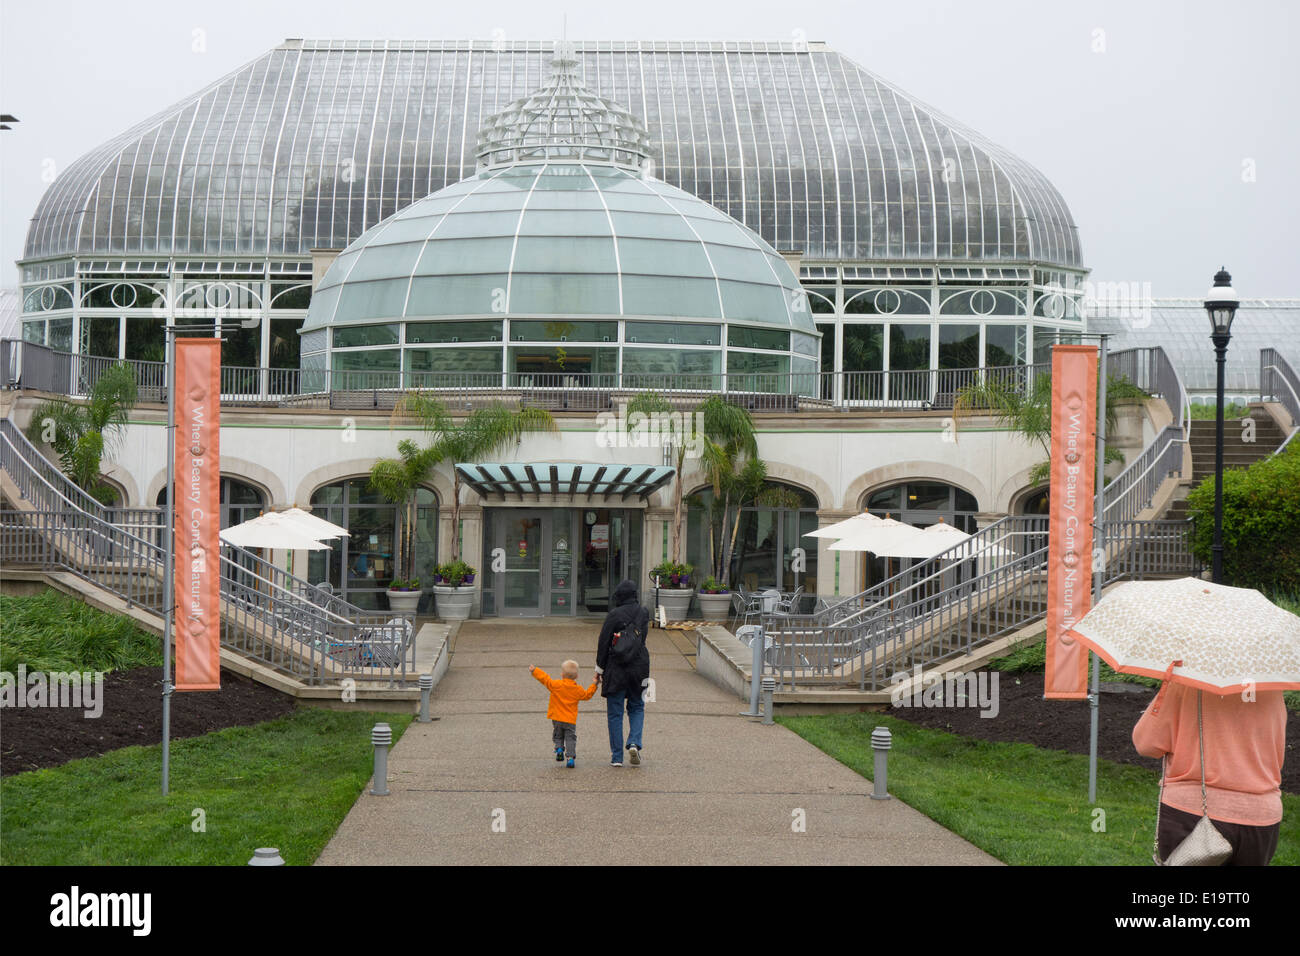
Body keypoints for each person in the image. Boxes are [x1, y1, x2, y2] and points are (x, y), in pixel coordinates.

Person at [1132, 680, 1287, 865]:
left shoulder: (1186, 682)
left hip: (1191, 810)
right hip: (1260, 815)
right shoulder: (1272, 688)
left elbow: (1146, 743)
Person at [595, 579, 650, 767]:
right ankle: (634, 742)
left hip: (616, 667)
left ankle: (617, 757)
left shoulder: (614, 615)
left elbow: (603, 642)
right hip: (640, 667)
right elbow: (642, 640)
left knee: (615, 712)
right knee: (637, 707)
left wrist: (599, 669)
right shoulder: (643, 613)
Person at [528, 659, 598, 768]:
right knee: (570, 738)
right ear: (576, 676)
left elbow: (545, 679)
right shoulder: (577, 689)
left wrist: (535, 670)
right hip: (570, 720)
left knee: (558, 735)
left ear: (562, 674)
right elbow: (587, 695)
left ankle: (559, 749)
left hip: (556, 717)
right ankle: (570, 758)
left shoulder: (556, 685)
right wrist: (594, 684)